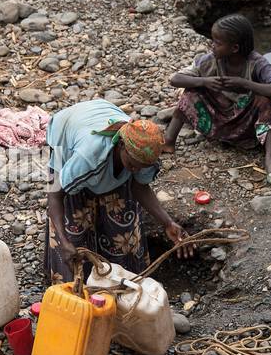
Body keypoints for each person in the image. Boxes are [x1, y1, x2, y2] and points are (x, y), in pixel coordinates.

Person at [45, 99, 191, 283]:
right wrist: (64, 242)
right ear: (121, 145)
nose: (136, 170)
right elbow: (55, 194)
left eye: (141, 167)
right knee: (74, 231)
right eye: (132, 164)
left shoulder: (144, 154)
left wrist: (167, 222)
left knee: (122, 227)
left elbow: (140, 187)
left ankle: (121, 280)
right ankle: (78, 283)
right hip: (65, 128)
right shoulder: (87, 158)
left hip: (99, 113)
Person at [164, 14, 271, 184]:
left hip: (246, 126)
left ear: (235, 48)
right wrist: (204, 81)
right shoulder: (210, 60)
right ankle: (169, 140)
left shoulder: (257, 63)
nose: (212, 46)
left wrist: (245, 83)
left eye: (217, 43)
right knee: (191, 91)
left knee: (264, 100)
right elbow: (175, 79)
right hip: (216, 121)